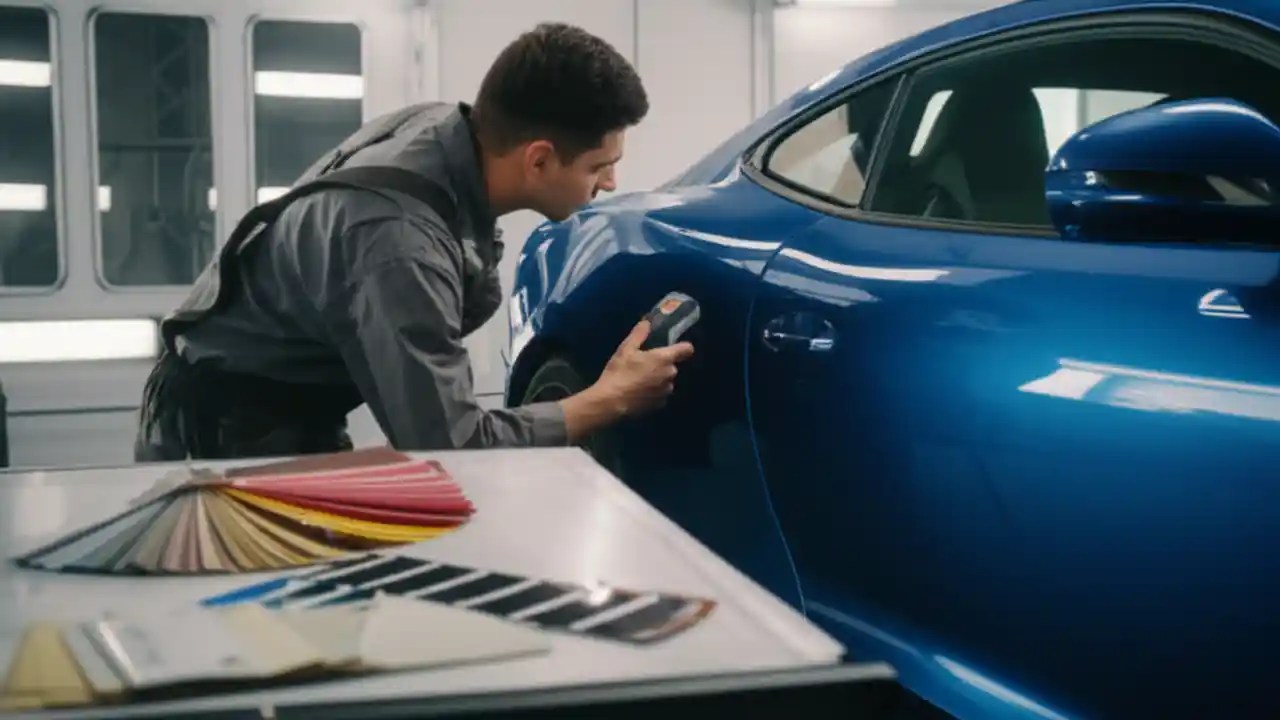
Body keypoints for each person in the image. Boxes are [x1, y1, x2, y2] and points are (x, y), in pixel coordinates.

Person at [134, 22, 695, 461]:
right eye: (601, 166)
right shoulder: (398, 241)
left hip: (275, 405)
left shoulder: (446, 134)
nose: (611, 185)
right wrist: (607, 400)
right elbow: (452, 446)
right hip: (221, 434)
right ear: (539, 158)